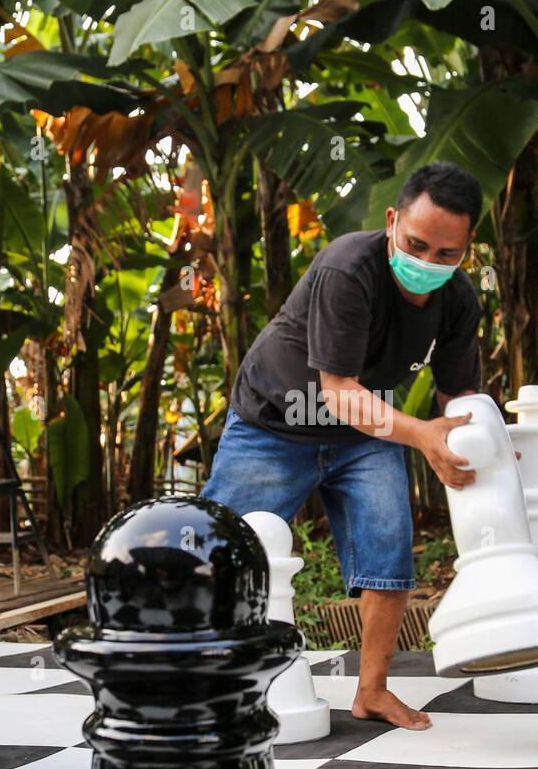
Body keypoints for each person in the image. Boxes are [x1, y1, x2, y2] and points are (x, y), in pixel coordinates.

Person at [202, 161, 484, 730]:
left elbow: (461, 397)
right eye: (416, 245)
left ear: (467, 248)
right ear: (390, 221)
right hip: (274, 423)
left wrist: (489, 444)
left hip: (365, 431)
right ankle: (191, 684)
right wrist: (419, 434)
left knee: (388, 550)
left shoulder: (457, 300)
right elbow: (336, 393)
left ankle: (372, 691)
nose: (428, 263)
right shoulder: (347, 269)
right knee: (218, 551)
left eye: (446, 254)